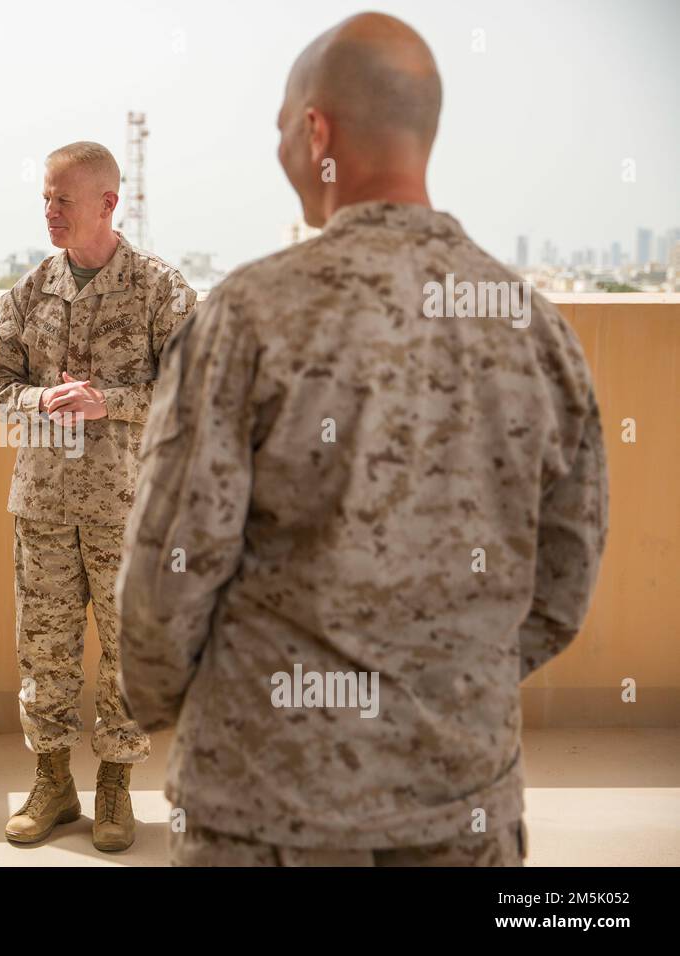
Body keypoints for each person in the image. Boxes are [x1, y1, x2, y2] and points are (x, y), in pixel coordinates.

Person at [117, 12, 608, 866]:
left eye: (280, 126)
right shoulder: (535, 329)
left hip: (263, 813)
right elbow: (566, 577)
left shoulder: (250, 314)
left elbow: (173, 565)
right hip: (460, 812)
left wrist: (160, 703)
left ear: (317, 132)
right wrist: (444, 685)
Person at [0, 141, 195, 851]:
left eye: (63, 200)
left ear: (108, 203)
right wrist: (43, 399)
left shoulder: (160, 290)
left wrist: (112, 404)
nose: (50, 211)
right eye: (45, 197)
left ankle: (114, 786)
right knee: (45, 650)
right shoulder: (28, 291)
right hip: (41, 504)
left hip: (129, 506)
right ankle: (51, 783)